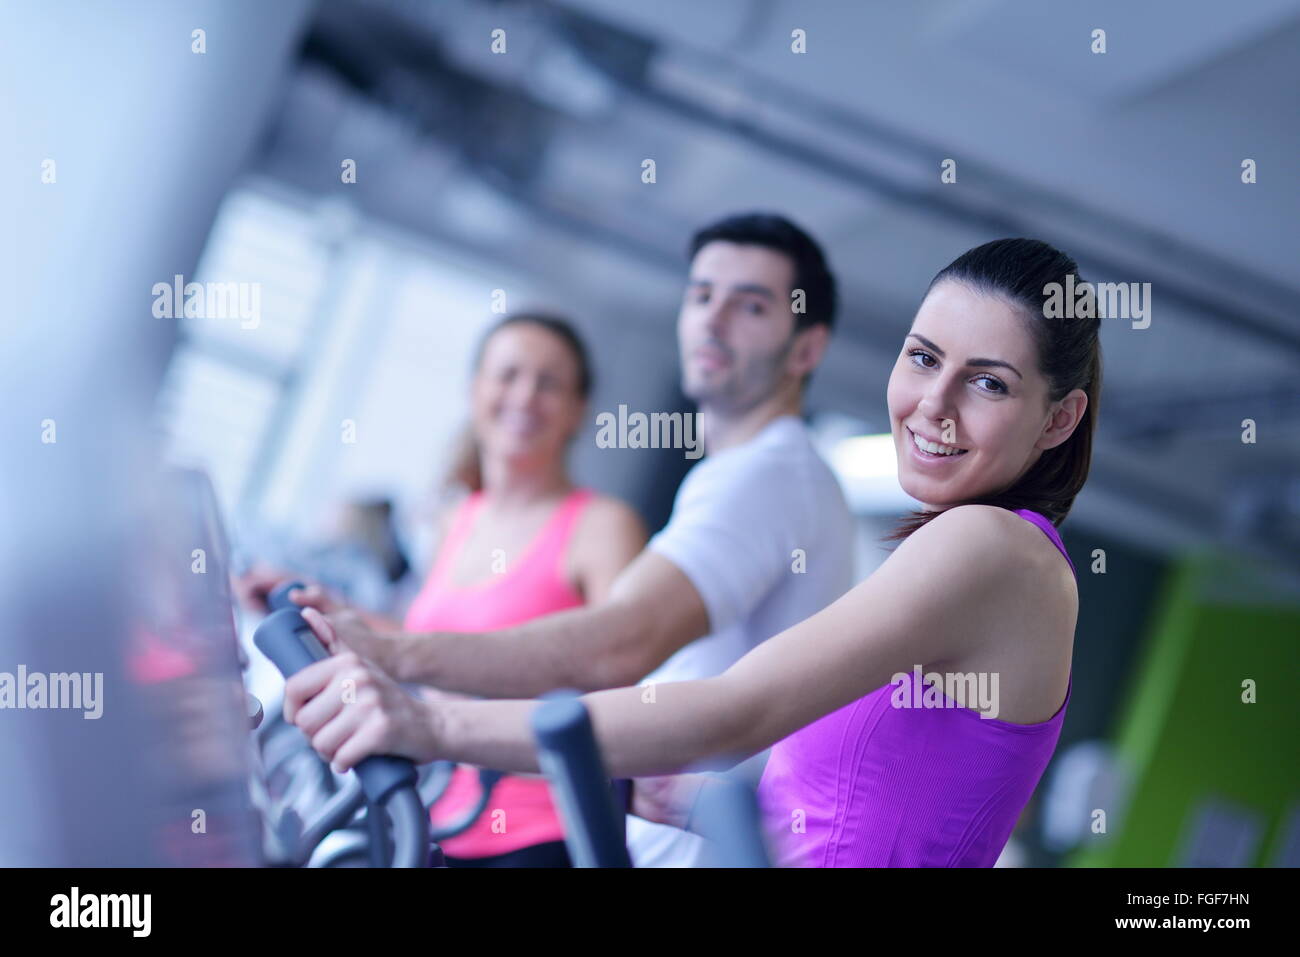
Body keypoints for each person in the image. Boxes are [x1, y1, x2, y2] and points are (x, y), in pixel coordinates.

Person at [284, 237, 1101, 867]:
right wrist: (683, 794)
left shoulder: (992, 547)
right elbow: (876, 808)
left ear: (1060, 418)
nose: (934, 404)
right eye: (923, 359)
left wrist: (431, 721)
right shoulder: (980, 553)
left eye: (988, 383)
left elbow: (733, 708)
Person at [289, 212, 857, 867]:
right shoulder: (750, 474)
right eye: (702, 296)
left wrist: (397, 657)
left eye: (750, 305)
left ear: (806, 349)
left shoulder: (766, 475)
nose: (713, 319)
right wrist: (363, 629)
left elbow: (620, 644)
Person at [242, 313, 647, 867]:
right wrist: (329, 612)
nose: (525, 396)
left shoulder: (601, 525)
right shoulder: (461, 517)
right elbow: (431, 645)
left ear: (578, 409)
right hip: (443, 816)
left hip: (546, 833)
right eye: (508, 375)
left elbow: (623, 675)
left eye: (549, 383)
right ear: (475, 389)